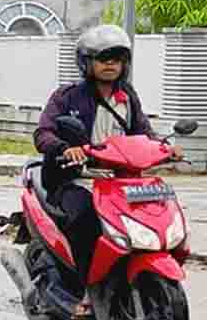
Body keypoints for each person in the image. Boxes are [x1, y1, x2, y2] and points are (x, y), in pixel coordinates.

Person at [34, 23, 182, 290]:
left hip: (120, 180)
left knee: (158, 210)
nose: (111, 64)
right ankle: (83, 290)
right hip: (76, 177)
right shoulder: (66, 97)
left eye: (118, 58)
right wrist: (64, 148)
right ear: (86, 63)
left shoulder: (127, 97)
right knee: (86, 220)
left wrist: (164, 147)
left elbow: (143, 131)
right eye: (103, 58)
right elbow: (43, 134)